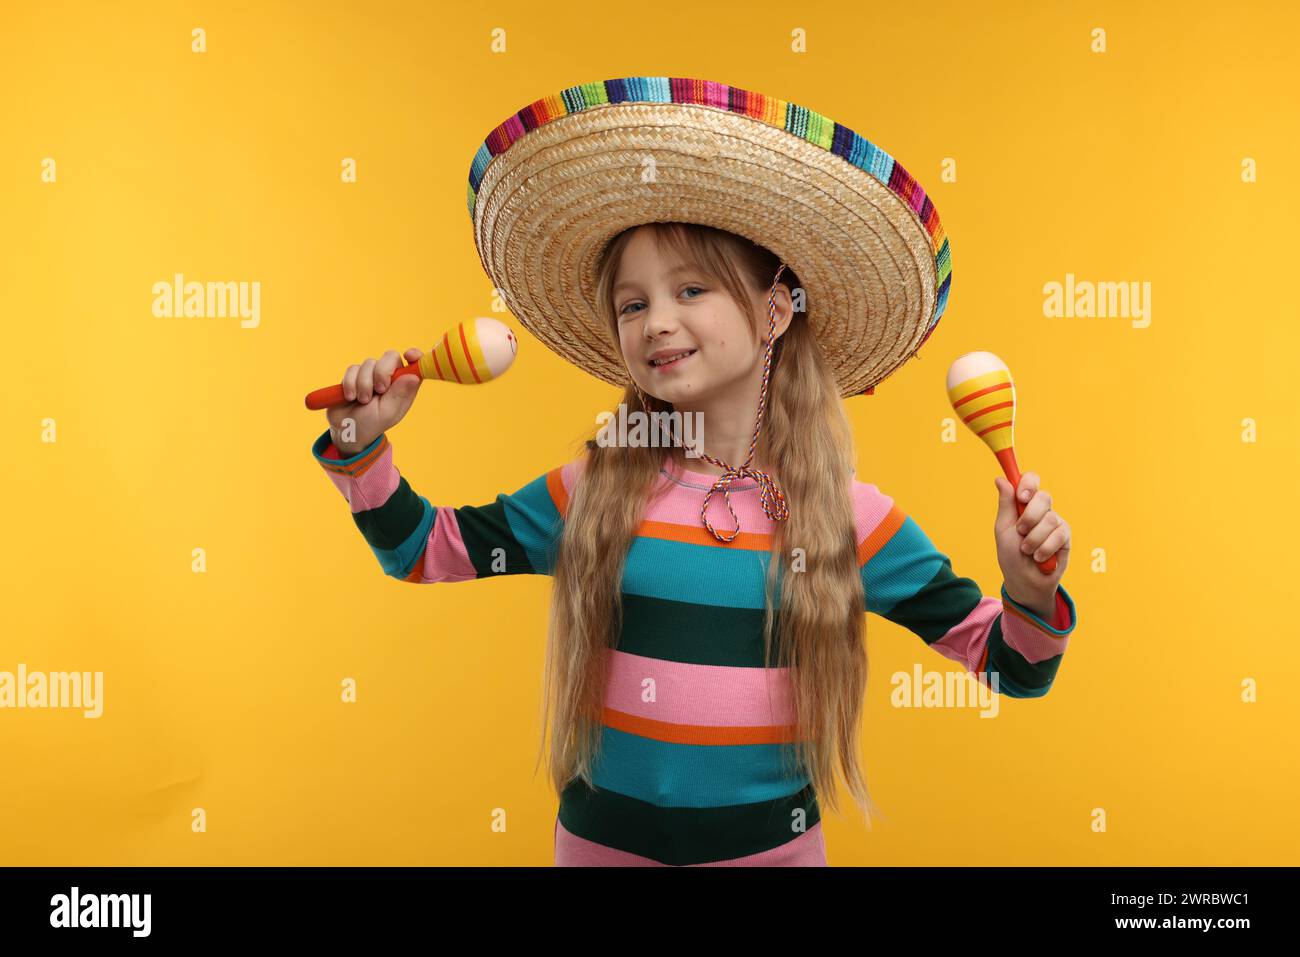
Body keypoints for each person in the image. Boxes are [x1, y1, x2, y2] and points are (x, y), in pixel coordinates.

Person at [311, 78, 1078, 866]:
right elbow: (423, 550)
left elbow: (1011, 666)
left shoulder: (847, 519)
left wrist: (1030, 592)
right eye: (631, 303)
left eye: (691, 288)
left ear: (777, 310)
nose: (658, 321)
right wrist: (358, 441)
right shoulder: (594, 491)